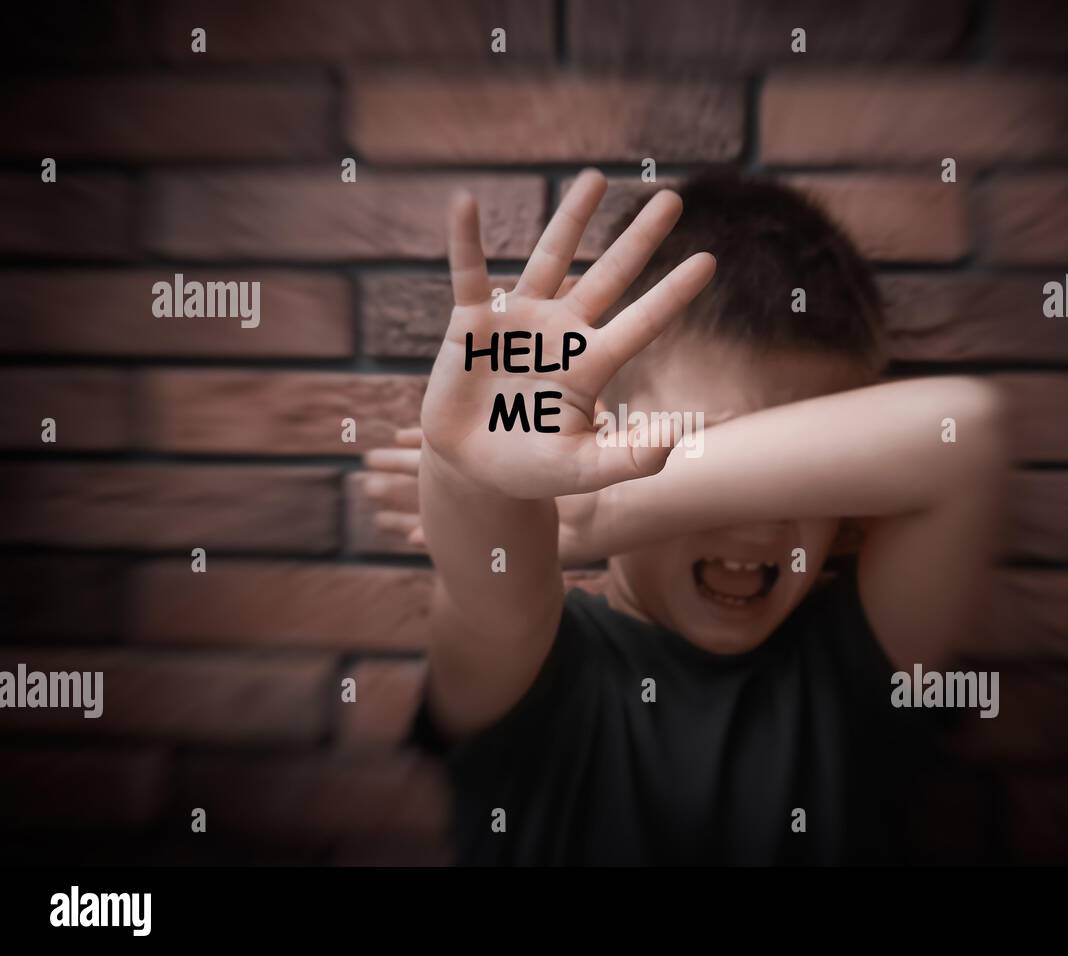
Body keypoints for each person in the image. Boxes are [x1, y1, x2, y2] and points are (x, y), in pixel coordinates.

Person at [364, 169, 1008, 864]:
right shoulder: (538, 663)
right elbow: (488, 564)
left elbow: (970, 431)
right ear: (601, 434)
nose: (760, 526)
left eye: (785, 466)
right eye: (695, 442)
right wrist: (488, 479)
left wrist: (604, 509)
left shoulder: (850, 666)